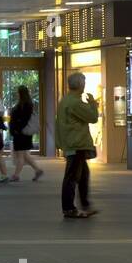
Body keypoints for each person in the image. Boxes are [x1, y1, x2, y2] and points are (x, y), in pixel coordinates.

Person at [55, 72, 100, 219]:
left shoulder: (66, 100)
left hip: (72, 142)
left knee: (82, 175)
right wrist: (93, 104)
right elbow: (93, 117)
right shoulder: (74, 102)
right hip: (77, 143)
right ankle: (69, 208)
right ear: (80, 85)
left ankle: (84, 204)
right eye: (84, 82)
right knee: (72, 176)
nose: (84, 85)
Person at [8, 85, 44, 182]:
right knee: (24, 154)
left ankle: (16, 175)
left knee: (21, 155)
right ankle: (38, 170)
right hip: (22, 133)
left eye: (17, 92)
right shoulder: (26, 104)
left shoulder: (26, 105)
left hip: (20, 133)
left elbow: (24, 119)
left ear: (20, 93)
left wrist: (17, 129)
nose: (16, 93)